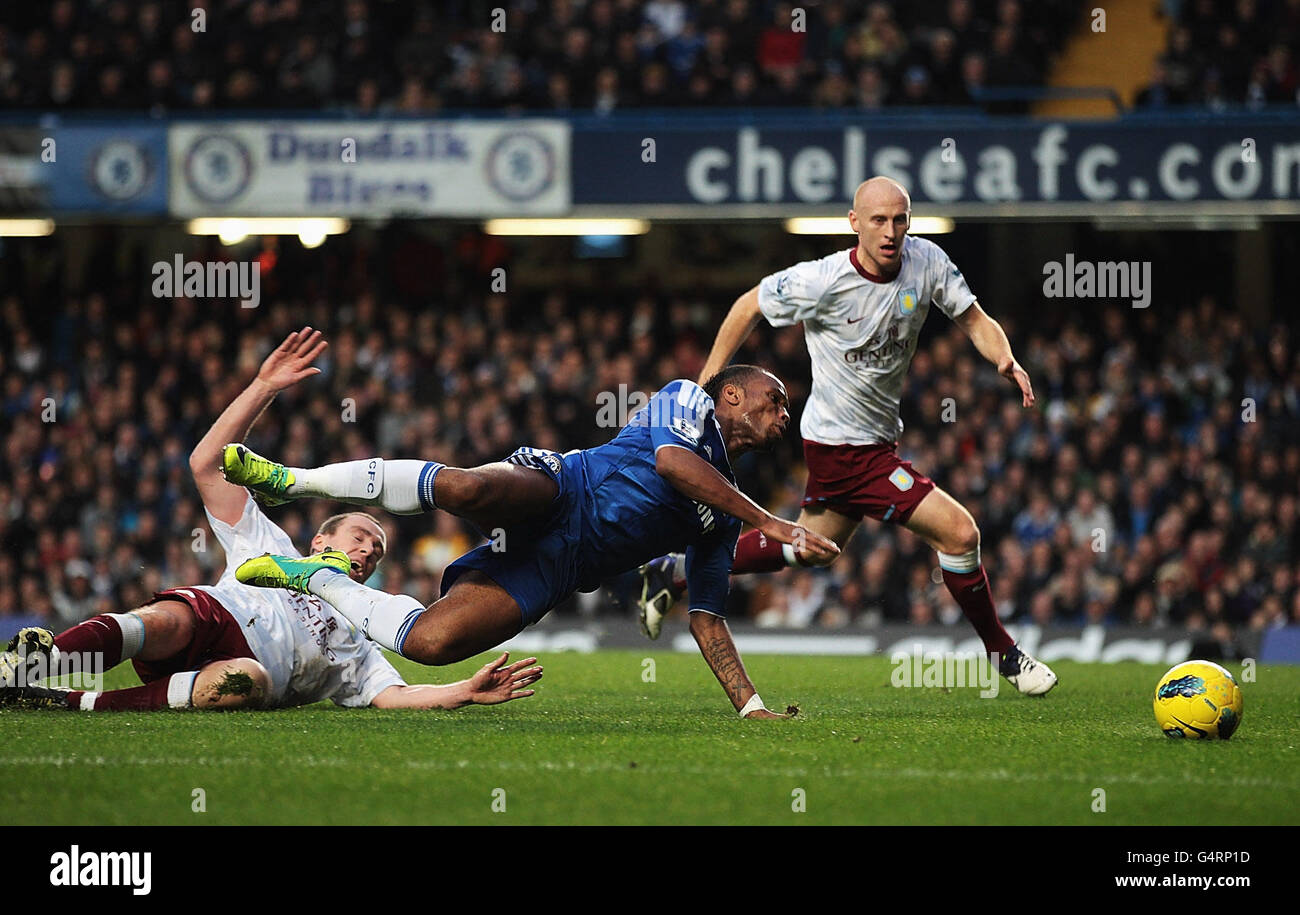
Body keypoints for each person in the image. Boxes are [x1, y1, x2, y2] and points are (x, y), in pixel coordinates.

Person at [221, 361, 840, 718]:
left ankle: (312, 576)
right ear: (732, 395)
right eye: (775, 401)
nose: (784, 415)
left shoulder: (723, 513)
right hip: (563, 486)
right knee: (465, 489)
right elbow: (675, 465)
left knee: (433, 644)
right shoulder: (688, 402)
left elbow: (706, 619)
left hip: (557, 568)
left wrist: (751, 708)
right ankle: (292, 481)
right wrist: (773, 523)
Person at [638, 176, 1058, 696]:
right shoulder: (823, 280)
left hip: (875, 440)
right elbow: (748, 305)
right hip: (843, 447)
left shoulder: (927, 263)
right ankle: (1005, 655)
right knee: (961, 533)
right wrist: (707, 384)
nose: (890, 231)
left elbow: (974, 318)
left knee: (816, 547)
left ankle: (674, 572)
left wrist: (1004, 357)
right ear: (854, 223)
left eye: (900, 219)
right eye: (878, 220)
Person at [0, 328, 542, 712]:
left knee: (244, 682)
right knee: (169, 620)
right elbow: (205, 465)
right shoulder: (268, 542)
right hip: (212, 619)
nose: (368, 552)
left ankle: (72, 702)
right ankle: (28, 667)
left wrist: (461, 690)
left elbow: (397, 694)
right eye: (360, 536)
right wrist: (264, 388)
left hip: (234, 677)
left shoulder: (357, 640)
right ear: (319, 538)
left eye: (376, 552)